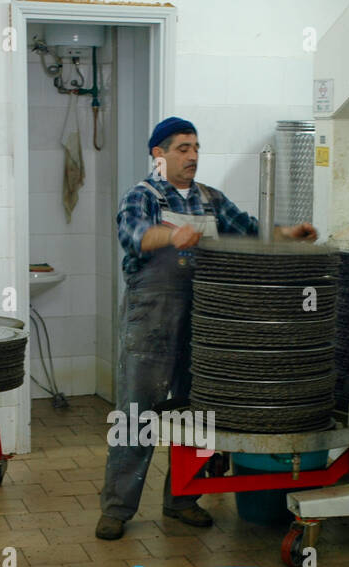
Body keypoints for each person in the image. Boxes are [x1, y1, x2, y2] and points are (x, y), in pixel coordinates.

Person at [96, 116, 317, 541]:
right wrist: (171, 236)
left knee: (197, 411)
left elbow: (250, 231)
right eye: (182, 148)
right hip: (152, 322)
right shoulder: (141, 196)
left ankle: (181, 499)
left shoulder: (210, 199)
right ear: (158, 155)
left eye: (196, 147)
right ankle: (117, 509)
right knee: (136, 415)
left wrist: (287, 234)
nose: (192, 155)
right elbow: (134, 236)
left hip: (205, 325)